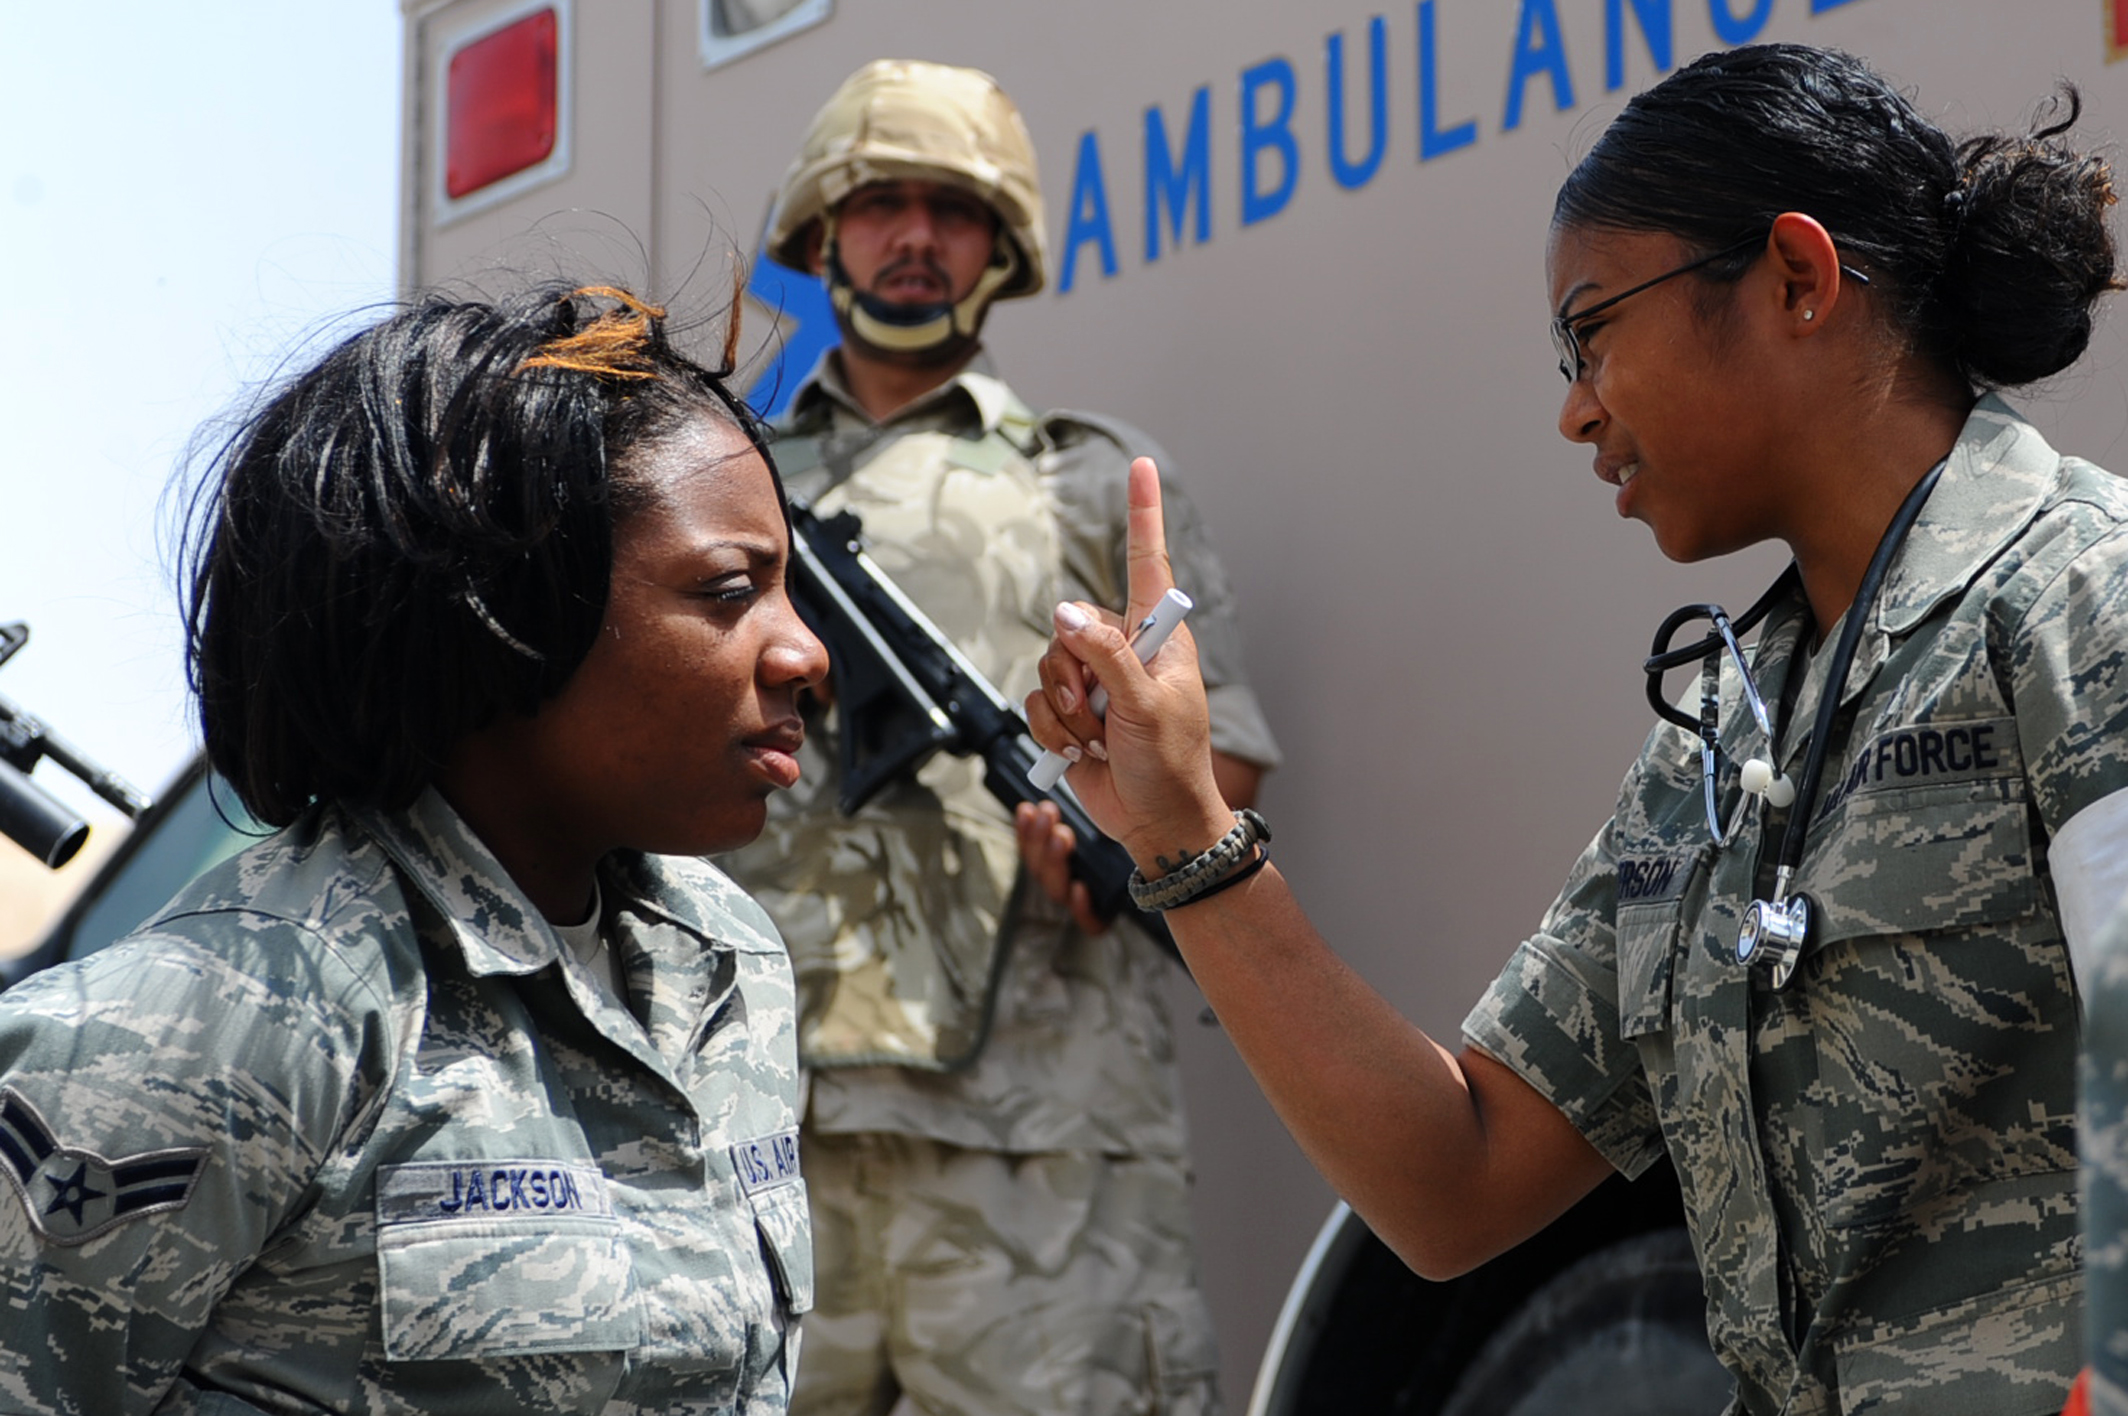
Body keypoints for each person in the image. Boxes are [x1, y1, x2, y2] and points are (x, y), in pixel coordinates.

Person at [1025, 43, 2125, 1416]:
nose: (1574, 408)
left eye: (1592, 331)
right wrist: (1183, 833)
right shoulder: (1724, 738)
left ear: (1796, 277)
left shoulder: (2082, 602)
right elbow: (1455, 1176)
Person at [0, 283, 829, 1413]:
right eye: (730, 592)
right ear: (507, 609)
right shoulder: (230, 1017)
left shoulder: (726, 965)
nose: (803, 653)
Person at [717, 58, 1281, 1416]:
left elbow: (1226, 768)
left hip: (1040, 1140)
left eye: (953, 211)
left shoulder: (1086, 481)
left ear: (1002, 245)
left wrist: (1118, 850)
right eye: (881, 204)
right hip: (756, 1132)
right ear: (818, 234)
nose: (916, 239)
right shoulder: (717, 484)